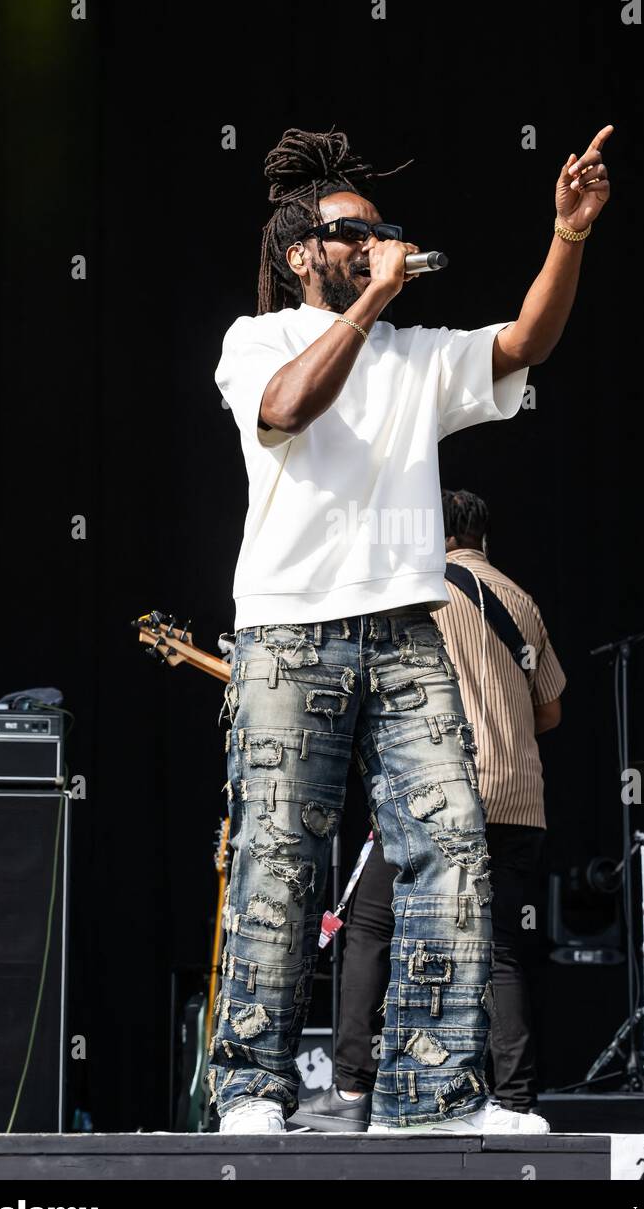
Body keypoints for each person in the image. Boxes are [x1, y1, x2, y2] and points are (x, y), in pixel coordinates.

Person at [210, 124, 612, 1133]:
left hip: (402, 625)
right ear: (302, 251)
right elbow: (286, 411)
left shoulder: (414, 357)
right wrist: (379, 295)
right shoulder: (255, 339)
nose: (373, 243)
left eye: (379, 232)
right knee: (277, 859)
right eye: (353, 233)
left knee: (449, 846)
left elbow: (522, 343)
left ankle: (429, 1092)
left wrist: (565, 235)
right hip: (289, 631)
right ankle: (251, 1090)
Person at [292, 488, 566, 1134]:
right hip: (521, 799)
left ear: (435, 535)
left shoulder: (418, 591)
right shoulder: (520, 600)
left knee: (367, 927)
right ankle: (517, 1102)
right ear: (481, 538)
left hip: (440, 793)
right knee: (500, 946)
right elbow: (551, 708)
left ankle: (353, 1090)